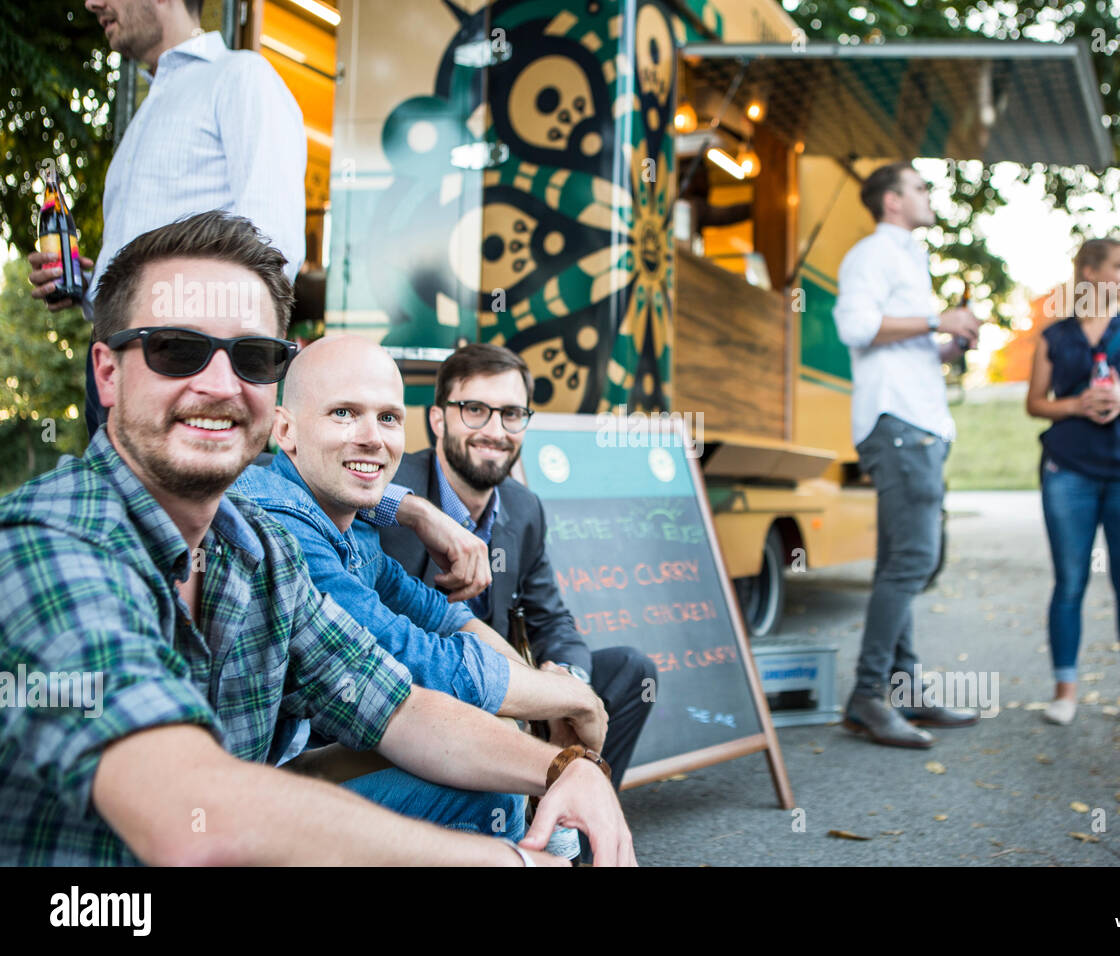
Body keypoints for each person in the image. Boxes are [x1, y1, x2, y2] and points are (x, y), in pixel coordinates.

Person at [0, 212, 634, 865]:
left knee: (488, 793)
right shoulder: (47, 547)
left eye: (252, 357)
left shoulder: (255, 550)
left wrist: (563, 769)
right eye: (176, 349)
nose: (219, 385)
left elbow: (398, 706)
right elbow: (189, 817)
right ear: (107, 374)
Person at [231, 337, 614, 830]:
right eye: (344, 413)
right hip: (231, 803)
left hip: (294, 758)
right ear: (285, 428)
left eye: (388, 418)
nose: (372, 436)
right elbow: (410, 659)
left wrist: (554, 693)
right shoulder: (286, 525)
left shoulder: (357, 516)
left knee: (522, 734)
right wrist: (565, 702)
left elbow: (444, 616)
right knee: (491, 785)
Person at [379, 344, 657, 790]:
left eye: (511, 414)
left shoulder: (525, 508)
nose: (495, 430)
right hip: (425, 695)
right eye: (474, 410)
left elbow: (552, 619)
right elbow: (312, 478)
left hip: (513, 685)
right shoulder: (394, 483)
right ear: (437, 419)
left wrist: (568, 684)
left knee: (631, 671)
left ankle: (573, 840)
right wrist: (420, 513)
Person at [28, 0, 306, 439]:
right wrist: (93, 282)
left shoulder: (240, 76)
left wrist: (224, 359)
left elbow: (274, 242)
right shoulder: (151, 106)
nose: (92, 3)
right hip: (121, 354)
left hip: (183, 359)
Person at [831, 161, 983, 749]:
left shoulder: (907, 258)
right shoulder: (873, 253)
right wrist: (935, 318)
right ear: (892, 201)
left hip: (913, 423)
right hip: (900, 426)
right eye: (920, 187)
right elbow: (855, 326)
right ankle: (870, 695)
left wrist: (943, 347)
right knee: (913, 561)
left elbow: (894, 343)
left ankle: (903, 689)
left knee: (900, 561)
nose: (929, 195)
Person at [1025, 238, 1120, 729]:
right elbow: (1035, 403)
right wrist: (1078, 404)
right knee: (1069, 582)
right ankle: (1065, 692)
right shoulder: (1055, 336)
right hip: (1068, 471)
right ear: (1090, 272)